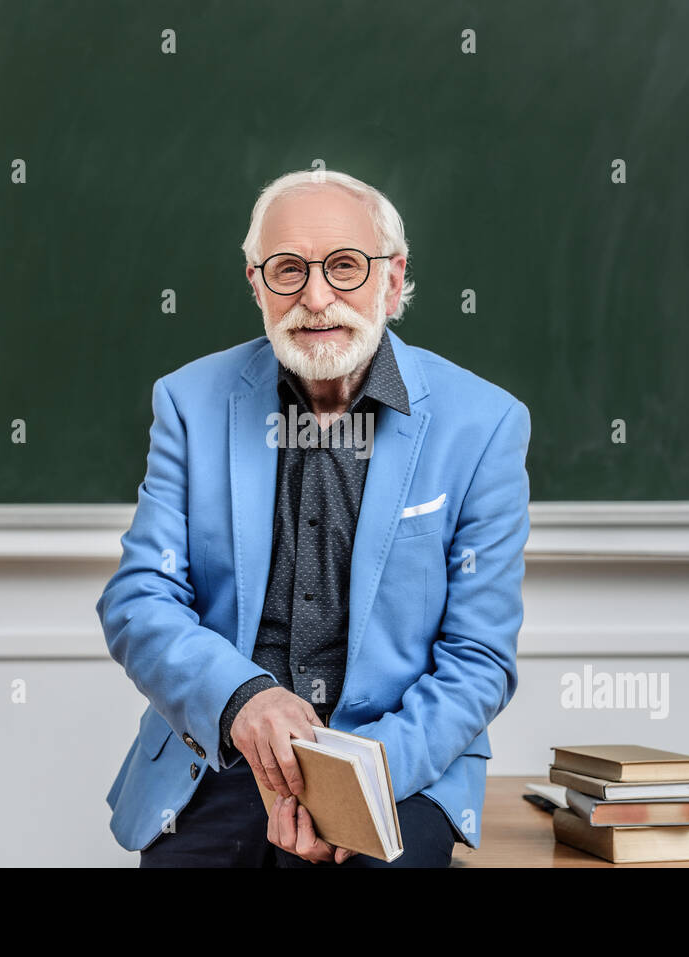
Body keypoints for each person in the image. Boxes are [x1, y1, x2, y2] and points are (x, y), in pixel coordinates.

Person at [98, 169, 530, 866]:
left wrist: (356, 777)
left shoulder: (483, 425)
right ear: (257, 286)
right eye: (289, 270)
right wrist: (244, 699)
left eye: (345, 267)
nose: (317, 296)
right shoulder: (188, 402)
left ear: (392, 281)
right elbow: (138, 599)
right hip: (225, 756)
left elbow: (478, 658)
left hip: (396, 763)